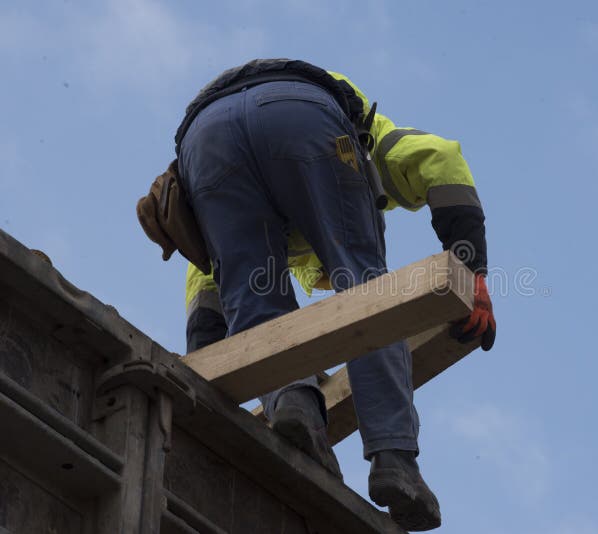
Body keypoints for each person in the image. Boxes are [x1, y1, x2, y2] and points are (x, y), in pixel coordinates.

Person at [176, 59, 495, 531]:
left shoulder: (275, 231)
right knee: (368, 288)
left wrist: (209, 373)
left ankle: (294, 404)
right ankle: (396, 462)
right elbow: (442, 158)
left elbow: (211, 287)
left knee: (253, 292)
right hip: (301, 112)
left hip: (203, 139)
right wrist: (473, 270)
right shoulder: (377, 140)